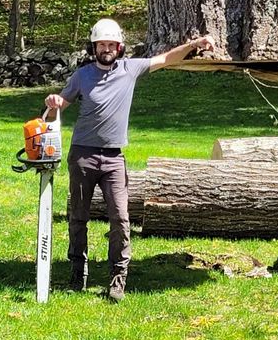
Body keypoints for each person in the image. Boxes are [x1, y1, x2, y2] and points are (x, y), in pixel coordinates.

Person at [45, 18, 214, 301]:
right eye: (102, 45)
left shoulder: (129, 69)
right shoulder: (82, 76)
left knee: (121, 220)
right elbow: (60, 105)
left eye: (111, 44)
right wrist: (53, 104)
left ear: (119, 46)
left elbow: (165, 58)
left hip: (114, 159)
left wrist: (195, 44)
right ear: (94, 47)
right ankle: (77, 274)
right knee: (78, 217)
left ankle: (118, 278)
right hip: (83, 155)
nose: (107, 49)